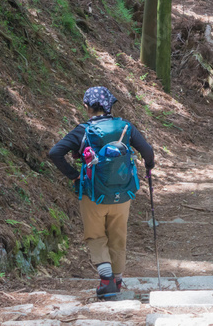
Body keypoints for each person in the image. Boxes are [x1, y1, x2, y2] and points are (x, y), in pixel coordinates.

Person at [49, 86, 155, 299]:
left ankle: (106, 281)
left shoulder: (83, 131)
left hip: (93, 195)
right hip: (123, 194)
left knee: (96, 235)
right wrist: (149, 167)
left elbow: (55, 153)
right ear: (109, 105)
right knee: (118, 236)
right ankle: (116, 280)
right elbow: (148, 152)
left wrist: (74, 175)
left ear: (87, 107)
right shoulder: (125, 127)